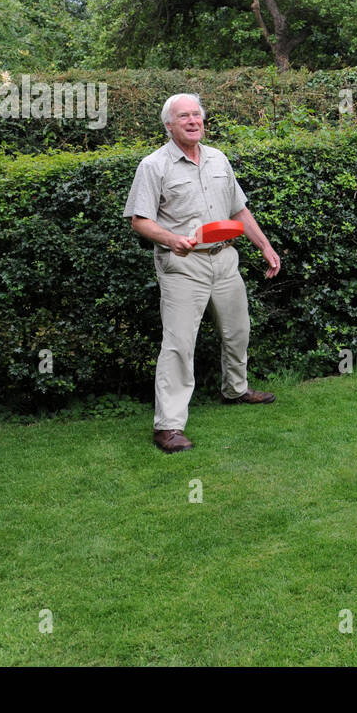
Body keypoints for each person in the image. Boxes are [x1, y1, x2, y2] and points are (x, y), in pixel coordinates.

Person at [122, 93, 281, 453]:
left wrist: (265, 246)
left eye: (197, 115)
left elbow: (238, 209)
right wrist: (171, 239)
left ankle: (235, 390)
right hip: (182, 265)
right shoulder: (154, 165)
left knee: (238, 331)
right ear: (169, 125)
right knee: (178, 345)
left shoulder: (218, 159)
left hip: (224, 259)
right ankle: (168, 427)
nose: (193, 121)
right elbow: (139, 221)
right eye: (184, 117)